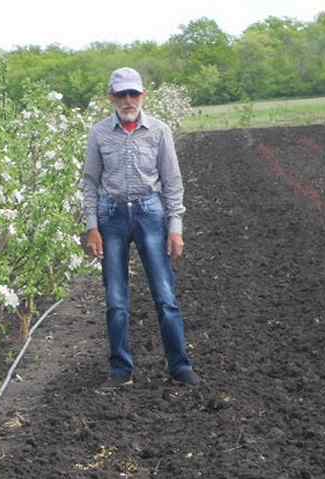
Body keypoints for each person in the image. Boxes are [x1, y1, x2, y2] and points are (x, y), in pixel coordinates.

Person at [81, 67, 199, 386]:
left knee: (165, 295)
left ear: (143, 96)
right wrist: (92, 226)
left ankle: (179, 366)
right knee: (116, 299)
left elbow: (173, 182)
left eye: (133, 93)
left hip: (150, 212)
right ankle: (121, 370)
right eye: (122, 94)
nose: (128, 100)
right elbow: (90, 182)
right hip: (112, 215)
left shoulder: (159, 131)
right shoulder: (99, 133)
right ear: (112, 98)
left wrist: (176, 227)